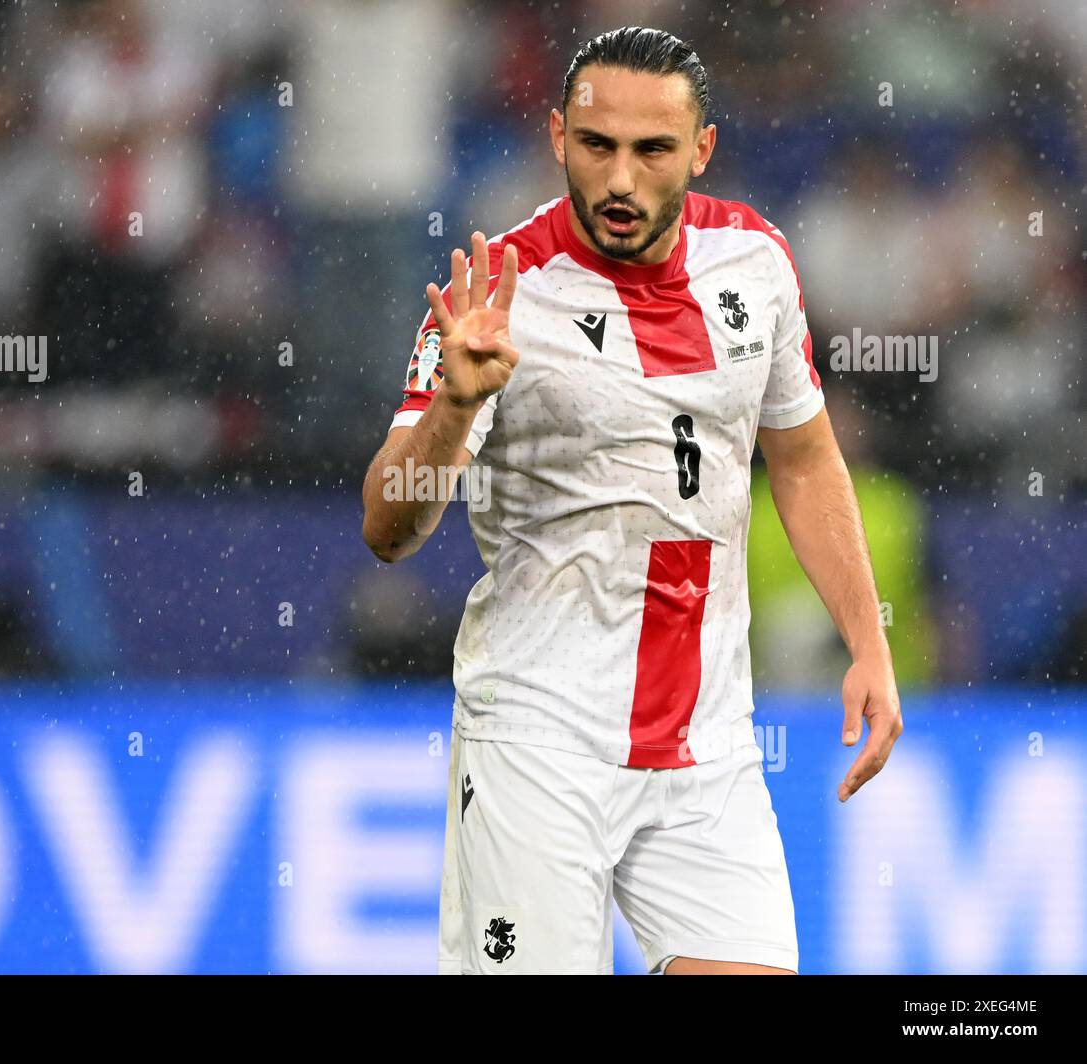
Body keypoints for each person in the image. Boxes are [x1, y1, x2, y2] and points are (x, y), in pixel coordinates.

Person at [361, 27, 903, 976]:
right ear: (556, 137)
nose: (620, 179)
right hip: (540, 737)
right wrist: (455, 401)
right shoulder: (499, 292)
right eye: (595, 146)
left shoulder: (756, 263)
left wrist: (868, 641)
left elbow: (807, 459)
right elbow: (387, 527)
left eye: (652, 151)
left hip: (707, 741)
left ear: (700, 151)